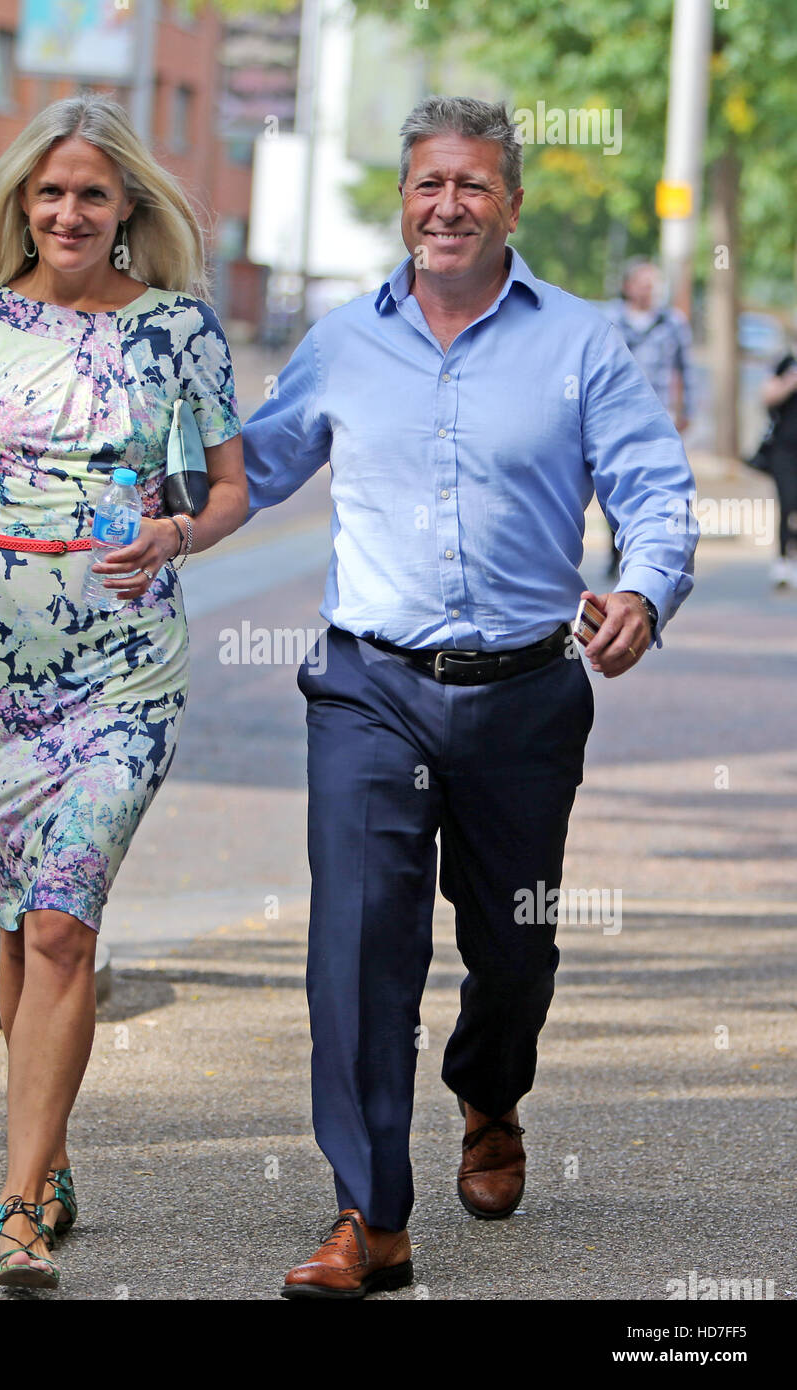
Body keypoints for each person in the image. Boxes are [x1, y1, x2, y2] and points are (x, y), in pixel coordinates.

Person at [242, 95, 698, 1299]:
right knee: (358, 948)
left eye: (472, 186)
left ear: (512, 204)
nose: (446, 205)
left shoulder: (584, 343)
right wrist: (164, 502)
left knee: (514, 948)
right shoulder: (344, 340)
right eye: (427, 183)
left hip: (526, 696)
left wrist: (642, 594)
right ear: (404, 197)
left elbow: (656, 493)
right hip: (369, 688)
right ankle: (371, 1219)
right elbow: (258, 463)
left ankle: (490, 1093)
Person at [0, 95, 247, 1290]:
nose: (71, 211)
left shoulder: (180, 330)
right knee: (17, 923)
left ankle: (19, 1205)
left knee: (60, 922)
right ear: (22, 204)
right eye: (50, 192)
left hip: (127, 656)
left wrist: (179, 534)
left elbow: (230, 489)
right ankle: (52, 1151)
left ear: (128, 202)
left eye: (93, 192)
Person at [600, 259, 695, 580]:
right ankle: (616, 548)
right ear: (627, 287)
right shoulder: (608, 320)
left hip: (657, 418)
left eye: (652, 283)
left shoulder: (673, 324)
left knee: (654, 485)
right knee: (613, 486)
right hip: (613, 416)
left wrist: (686, 411)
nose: (648, 289)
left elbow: (686, 370)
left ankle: (648, 556)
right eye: (641, 283)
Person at [758, 344, 797, 587]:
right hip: (785, 448)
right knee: (789, 501)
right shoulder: (786, 361)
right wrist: (790, 382)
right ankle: (783, 560)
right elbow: (767, 396)